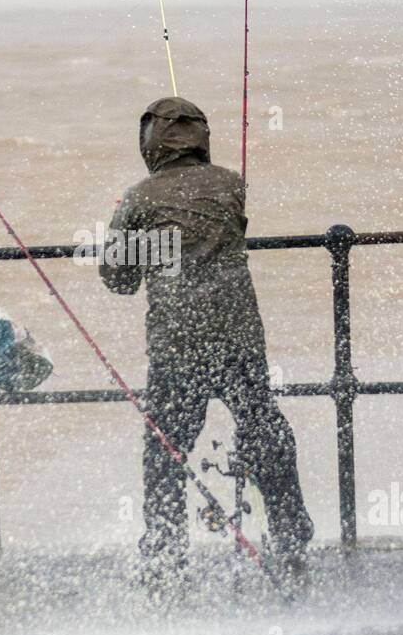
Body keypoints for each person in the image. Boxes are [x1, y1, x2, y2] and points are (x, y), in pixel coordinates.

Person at [99, 96, 314, 584]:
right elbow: (229, 231)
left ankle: (166, 551)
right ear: (202, 136)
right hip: (239, 334)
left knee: (166, 448)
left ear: (149, 142)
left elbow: (118, 279)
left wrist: (134, 233)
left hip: (178, 344)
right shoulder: (231, 185)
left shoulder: (138, 198)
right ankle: (291, 533)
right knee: (263, 427)